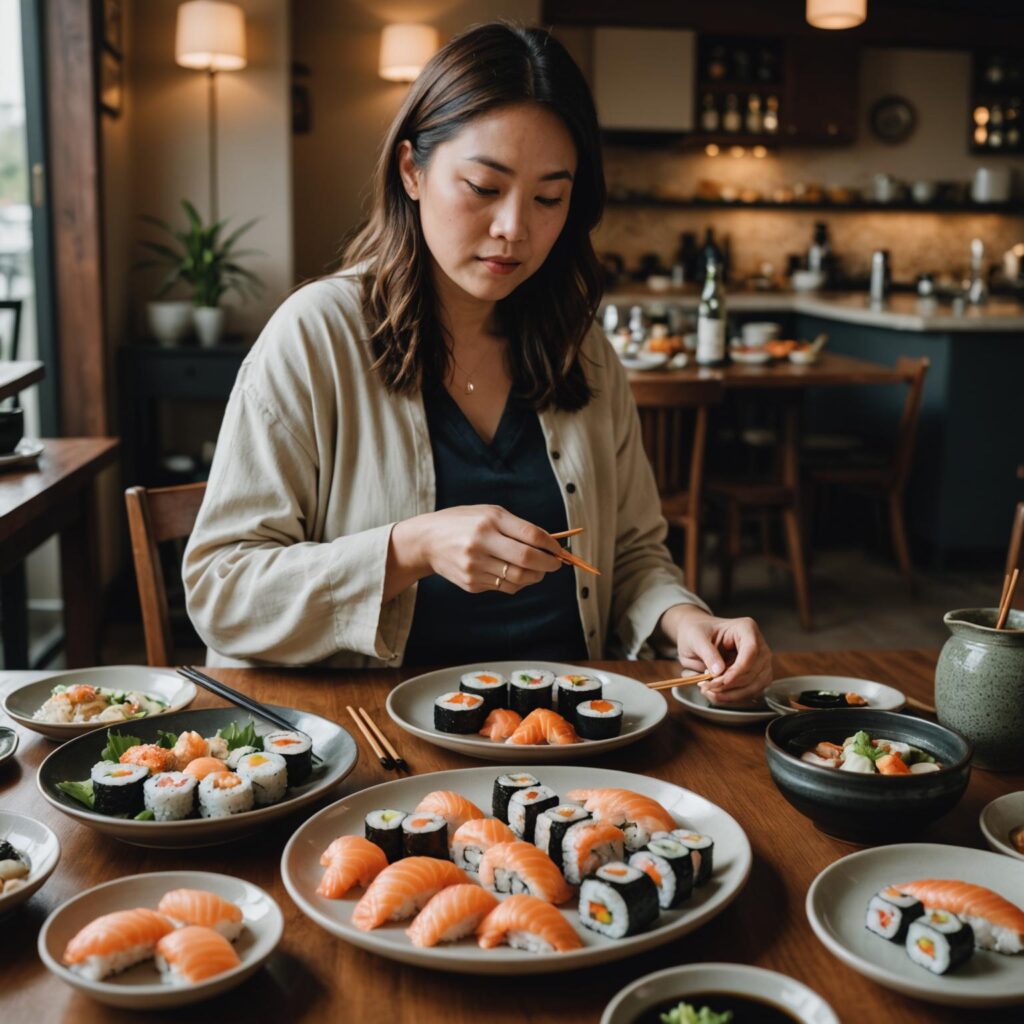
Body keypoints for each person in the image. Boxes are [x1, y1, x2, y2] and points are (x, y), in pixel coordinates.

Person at [183, 22, 772, 705]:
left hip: (573, 729)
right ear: (412, 169)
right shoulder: (316, 336)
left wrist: (684, 619)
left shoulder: (583, 352)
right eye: (484, 187)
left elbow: (636, 557)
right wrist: (407, 550)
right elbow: (221, 590)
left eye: (550, 198)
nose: (515, 228)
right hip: (378, 733)